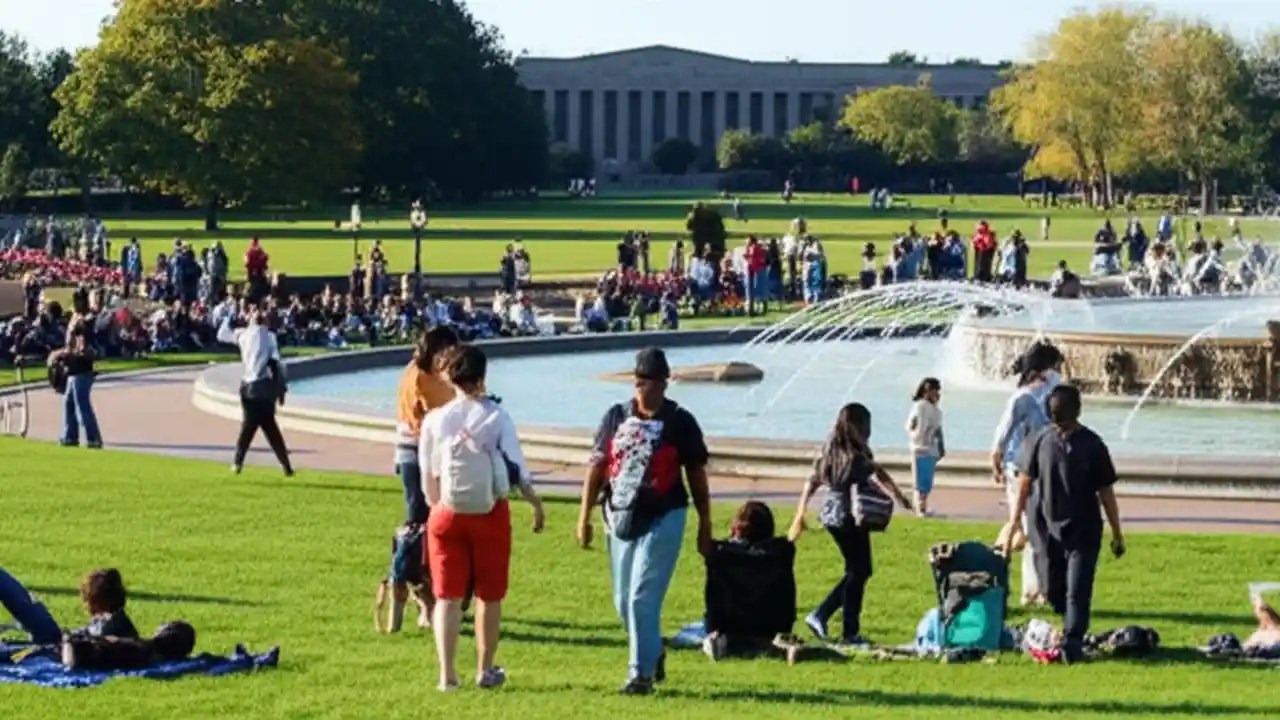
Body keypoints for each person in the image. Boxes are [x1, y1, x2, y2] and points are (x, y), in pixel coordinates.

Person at [576, 347, 712, 695]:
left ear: (665, 382)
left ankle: (640, 676)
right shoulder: (615, 417)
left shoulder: (680, 421)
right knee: (623, 604)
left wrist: (705, 522)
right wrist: (585, 516)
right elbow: (597, 467)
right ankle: (655, 650)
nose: (641, 388)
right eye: (637, 381)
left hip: (664, 514)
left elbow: (696, 473)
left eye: (648, 381)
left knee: (641, 598)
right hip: (619, 515)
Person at [419, 344, 546, 691]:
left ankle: (447, 676)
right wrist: (535, 503)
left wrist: (437, 506)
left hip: (446, 513)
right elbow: (518, 468)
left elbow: (427, 474)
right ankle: (485, 669)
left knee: (447, 596)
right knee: (489, 596)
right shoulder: (497, 416)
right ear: (482, 376)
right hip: (489, 512)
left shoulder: (435, 419)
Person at [1006, 384, 1125, 663]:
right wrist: (1014, 522)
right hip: (1045, 526)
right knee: (1051, 586)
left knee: (1078, 588)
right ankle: (1066, 620)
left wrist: (1117, 531)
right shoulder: (1038, 440)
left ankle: (1073, 643)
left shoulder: (1092, 445)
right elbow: (1024, 482)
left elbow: (1105, 491)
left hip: (1083, 528)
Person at [786, 403, 911, 647]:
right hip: (851, 517)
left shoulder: (832, 449)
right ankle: (845, 629)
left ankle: (826, 617)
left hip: (832, 516)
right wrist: (897, 495)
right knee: (859, 571)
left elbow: (812, 481)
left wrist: (800, 512)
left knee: (857, 570)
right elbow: (876, 471)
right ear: (858, 425)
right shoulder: (855, 455)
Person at [990, 342, 1062, 606]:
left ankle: (1033, 588)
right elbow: (1004, 432)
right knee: (1028, 528)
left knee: (1034, 528)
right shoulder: (1024, 397)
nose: (1057, 372)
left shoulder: (1049, 392)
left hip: (1040, 470)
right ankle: (1025, 585)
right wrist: (997, 458)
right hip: (1020, 471)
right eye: (1054, 367)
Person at [217, 307, 293, 476]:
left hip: (248, 387)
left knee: (249, 427)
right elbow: (277, 364)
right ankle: (286, 466)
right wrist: (281, 390)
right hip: (265, 388)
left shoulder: (243, 334)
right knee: (270, 428)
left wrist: (229, 316)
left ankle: (237, 463)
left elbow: (221, 334)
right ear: (265, 321)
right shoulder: (270, 336)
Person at [394, 327, 459, 524]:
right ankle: (410, 553)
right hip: (416, 448)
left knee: (431, 514)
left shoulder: (430, 373)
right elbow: (420, 417)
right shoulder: (420, 376)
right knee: (419, 514)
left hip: (424, 448)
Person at [53, 323, 102, 449]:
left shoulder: (83, 336)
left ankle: (93, 438)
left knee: (82, 407)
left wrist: (69, 354)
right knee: (68, 404)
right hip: (72, 374)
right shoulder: (75, 334)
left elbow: (85, 353)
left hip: (81, 373)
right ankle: (69, 436)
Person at [905, 377, 944, 517]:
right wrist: (917, 436)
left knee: (926, 479)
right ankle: (920, 508)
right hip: (920, 448)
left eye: (937, 391)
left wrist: (941, 446)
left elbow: (938, 429)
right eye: (933, 391)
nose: (936, 394)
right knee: (920, 480)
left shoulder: (935, 410)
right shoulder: (920, 406)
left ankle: (923, 506)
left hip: (930, 449)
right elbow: (912, 424)